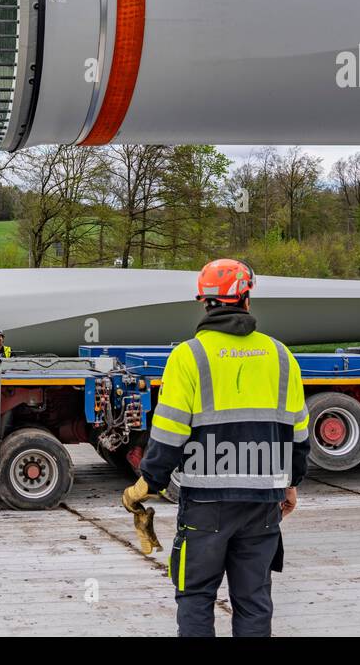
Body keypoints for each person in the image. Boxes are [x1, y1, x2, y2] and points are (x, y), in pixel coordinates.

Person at [121, 258, 309, 637]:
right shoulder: (281, 355)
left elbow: (169, 434)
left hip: (206, 505)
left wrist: (149, 482)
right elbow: (298, 435)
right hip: (262, 504)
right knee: (254, 600)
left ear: (204, 302)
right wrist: (290, 484)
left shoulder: (188, 356)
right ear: (246, 299)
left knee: (195, 595)